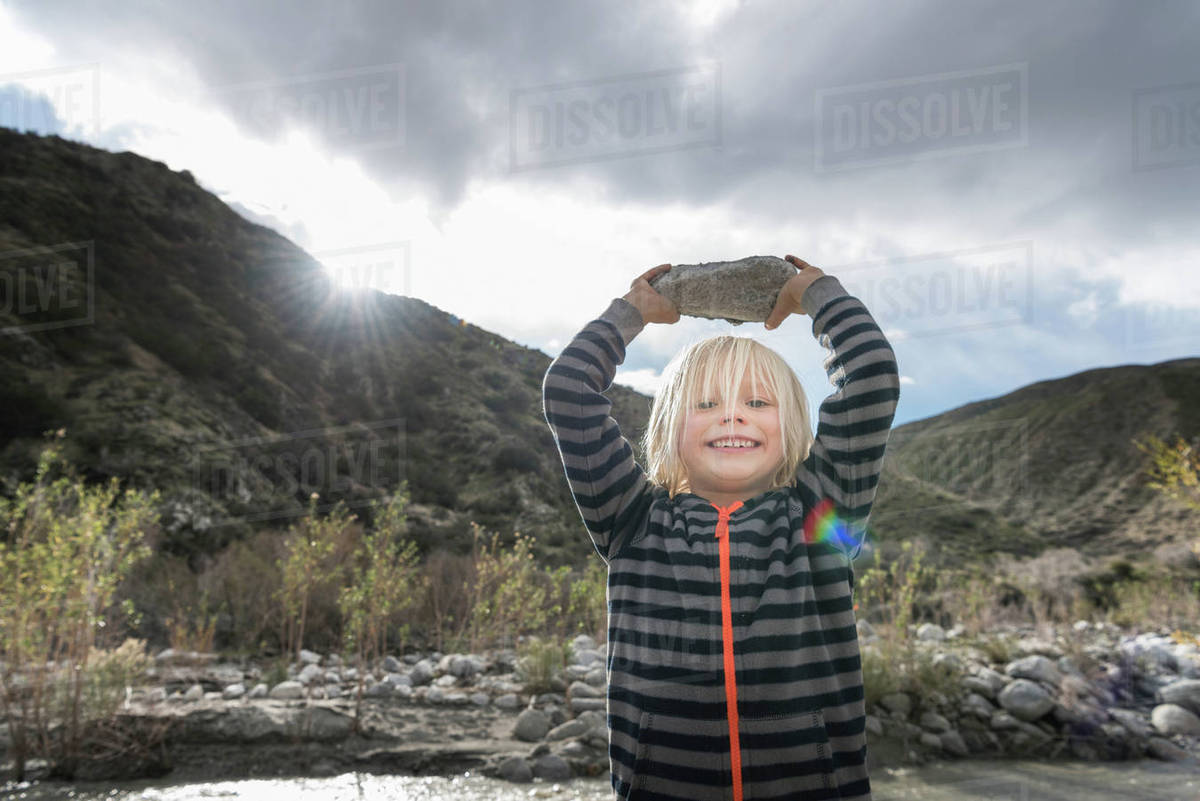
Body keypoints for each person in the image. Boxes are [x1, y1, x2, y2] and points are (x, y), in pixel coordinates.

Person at [542, 255, 900, 801]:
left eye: (757, 402)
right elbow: (569, 392)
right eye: (705, 404)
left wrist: (817, 295)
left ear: (791, 427)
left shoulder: (820, 510)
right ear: (670, 428)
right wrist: (631, 313)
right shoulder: (632, 520)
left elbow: (871, 376)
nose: (732, 417)